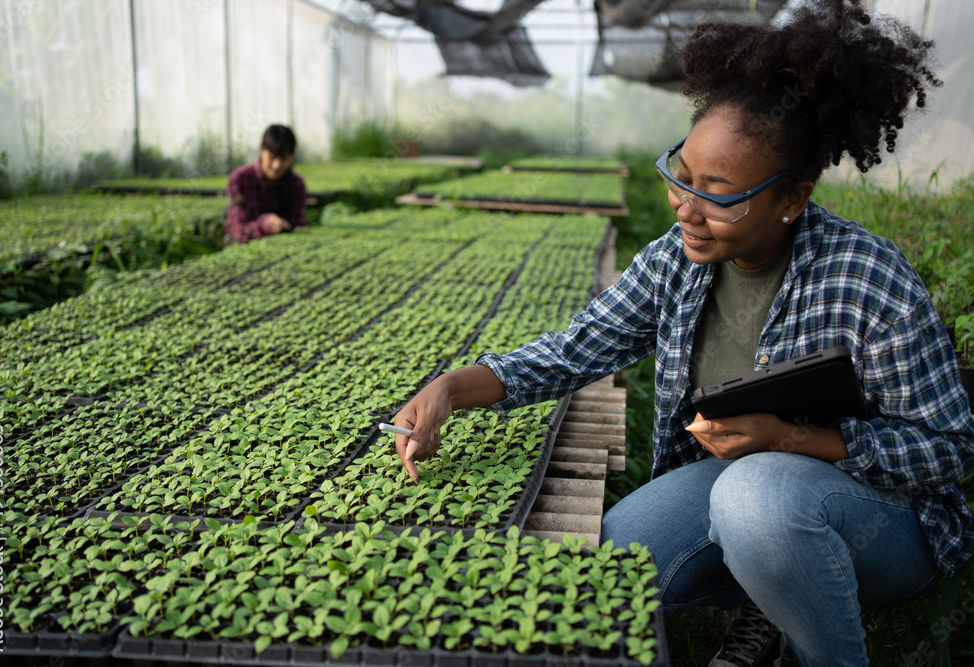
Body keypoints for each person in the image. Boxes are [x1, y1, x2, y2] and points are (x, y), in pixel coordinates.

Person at [389, 1, 974, 665]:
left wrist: (792, 439)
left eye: (718, 193)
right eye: (682, 175)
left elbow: (950, 447)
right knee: (605, 579)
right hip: (733, 495)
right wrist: (453, 388)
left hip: (885, 519)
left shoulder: (869, 278)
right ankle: (768, 600)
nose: (686, 208)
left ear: (792, 199)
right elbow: (574, 350)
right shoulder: (676, 259)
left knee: (757, 498)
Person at [225, 124, 309, 243]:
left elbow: (300, 226)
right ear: (261, 148)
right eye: (272, 157)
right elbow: (236, 231)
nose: (277, 165)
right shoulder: (240, 179)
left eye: (284, 159)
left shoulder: (296, 184)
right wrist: (265, 224)